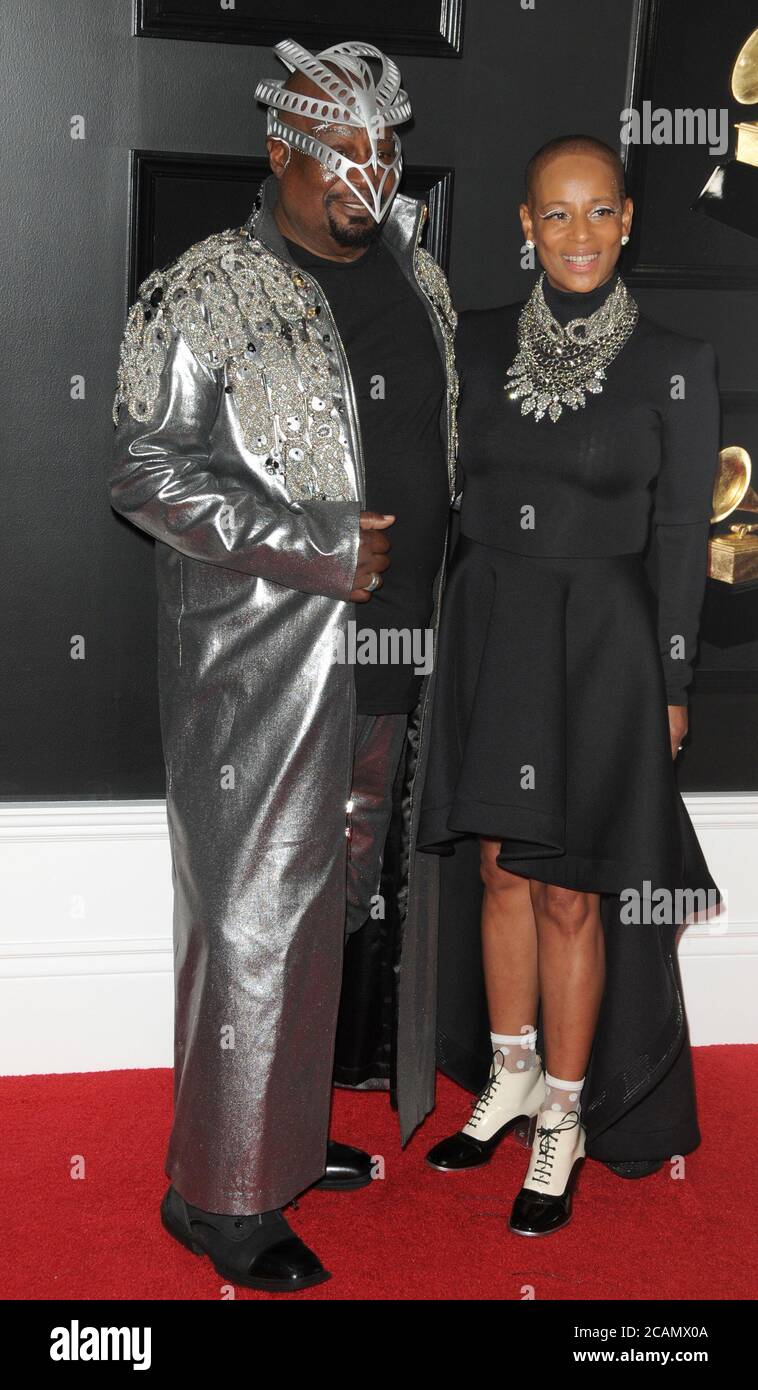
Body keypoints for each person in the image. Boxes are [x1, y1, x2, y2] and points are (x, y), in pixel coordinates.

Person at [109, 38, 458, 1291]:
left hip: (388, 658)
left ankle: (282, 1143)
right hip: (260, 672)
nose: (364, 173)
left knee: (331, 915)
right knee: (255, 920)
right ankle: (217, 1199)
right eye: (340, 152)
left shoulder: (413, 273)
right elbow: (143, 471)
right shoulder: (197, 290)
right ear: (282, 152)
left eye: (382, 149)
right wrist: (313, 547)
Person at [415, 134, 721, 1236]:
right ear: (524, 224)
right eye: (557, 214)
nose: (579, 234)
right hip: (490, 627)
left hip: (602, 648)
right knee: (497, 869)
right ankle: (504, 1070)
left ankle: (563, 1111)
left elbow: (682, 533)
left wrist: (673, 679)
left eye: (599, 212)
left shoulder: (675, 361)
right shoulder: (473, 341)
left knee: (568, 887)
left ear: (628, 221)